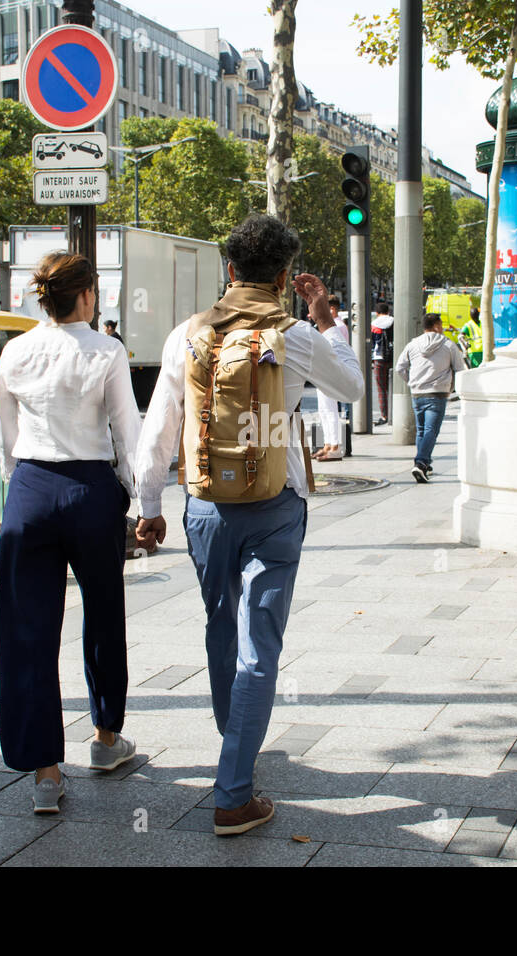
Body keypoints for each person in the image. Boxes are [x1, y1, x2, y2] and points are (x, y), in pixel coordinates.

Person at [133, 214, 364, 836]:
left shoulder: (188, 333)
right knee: (261, 645)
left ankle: (234, 743)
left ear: (229, 271)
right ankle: (233, 790)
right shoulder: (297, 334)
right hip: (275, 503)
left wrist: (148, 505)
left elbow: (158, 427)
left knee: (219, 628)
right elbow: (353, 387)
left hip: (205, 505)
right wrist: (327, 320)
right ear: (287, 278)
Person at [0, 251, 142, 815]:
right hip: (89, 491)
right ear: (86, 296)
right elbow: (128, 431)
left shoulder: (16, 351)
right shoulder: (106, 351)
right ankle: (105, 741)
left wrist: (22, 489)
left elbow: (6, 439)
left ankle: (46, 774)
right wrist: (143, 498)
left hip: (31, 488)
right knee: (103, 614)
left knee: (25, 630)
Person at [397, 312, 467, 482]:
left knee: (422, 430)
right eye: (441, 324)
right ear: (436, 325)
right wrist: (452, 387)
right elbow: (460, 369)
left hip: (417, 393)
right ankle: (420, 463)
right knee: (430, 430)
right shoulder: (449, 345)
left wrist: (412, 381)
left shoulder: (412, 345)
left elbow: (400, 367)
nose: (442, 328)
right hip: (437, 393)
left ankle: (424, 464)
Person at [313, 294, 347, 460]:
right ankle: (328, 444)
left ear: (331, 309)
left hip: (330, 371)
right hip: (324, 370)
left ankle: (335, 445)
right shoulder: (334, 326)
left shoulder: (337, 327)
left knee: (330, 409)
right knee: (324, 409)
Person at [371, 302, 394, 425]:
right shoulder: (394, 322)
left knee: (381, 388)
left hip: (379, 358)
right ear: (388, 311)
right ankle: (394, 413)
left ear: (377, 313)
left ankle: (384, 415)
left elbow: (372, 343)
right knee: (394, 388)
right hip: (393, 358)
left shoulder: (374, 324)